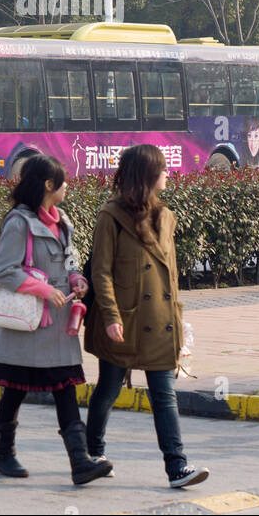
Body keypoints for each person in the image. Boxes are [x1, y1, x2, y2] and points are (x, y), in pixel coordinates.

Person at [85, 144, 209, 489]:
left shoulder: (166, 216)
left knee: (164, 396)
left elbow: (170, 277)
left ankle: (177, 466)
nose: (168, 174)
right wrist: (110, 316)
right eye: (163, 169)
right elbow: (101, 272)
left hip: (160, 323)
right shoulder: (110, 217)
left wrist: (179, 324)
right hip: (123, 321)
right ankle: (91, 452)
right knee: (108, 391)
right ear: (147, 175)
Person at [0, 155, 112, 485]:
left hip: (57, 325)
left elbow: (68, 262)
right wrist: (43, 289)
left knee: (65, 389)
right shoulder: (19, 222)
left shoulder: (62, 220)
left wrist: (75, 280)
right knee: (14, 389)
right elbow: (3, 270)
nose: (67, 185)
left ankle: (80, 461)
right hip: (25, 326)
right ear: (48, 186)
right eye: (63, 181)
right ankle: (3, 454)